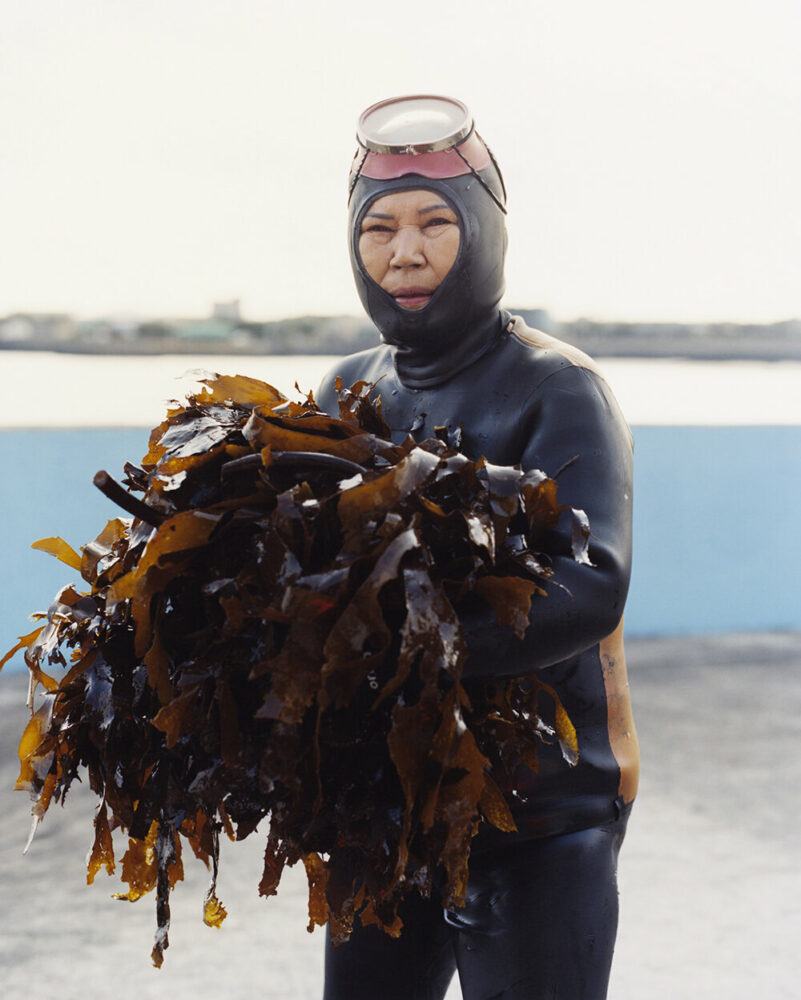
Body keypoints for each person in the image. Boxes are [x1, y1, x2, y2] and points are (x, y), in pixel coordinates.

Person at [315, 95, 639, 1000]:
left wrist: (397, 647)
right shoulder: (348, 389)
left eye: (433, 225)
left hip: (543, 804)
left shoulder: (557, 388)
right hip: (384, 799)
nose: (403, 253)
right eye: (376, 229)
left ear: (486, 235)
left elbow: (589, 587)